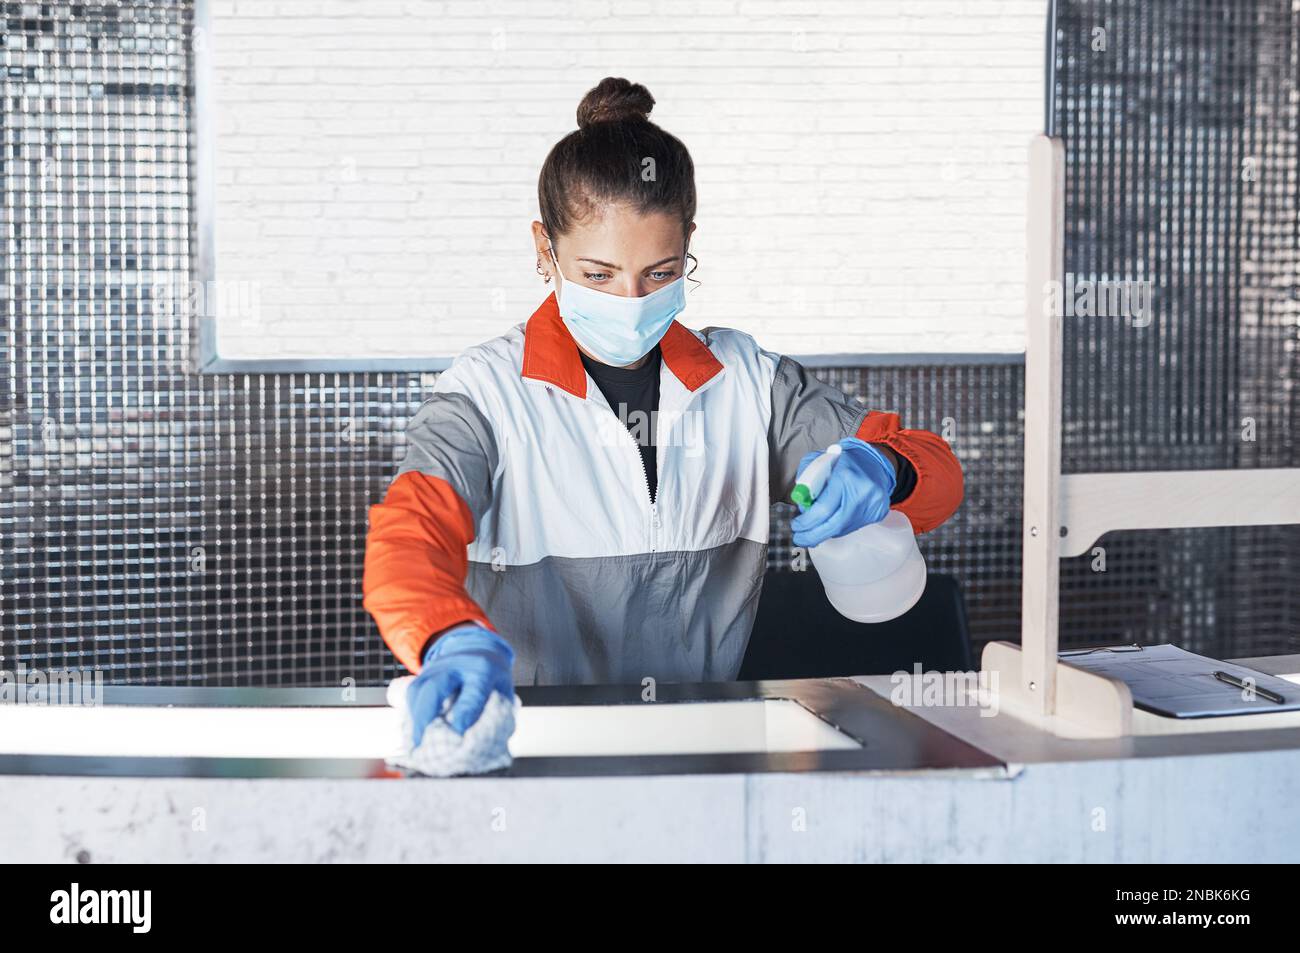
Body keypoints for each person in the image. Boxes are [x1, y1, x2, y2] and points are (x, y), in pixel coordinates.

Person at [363, 77, 963, 743]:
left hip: (701, 747)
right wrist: (445, 635)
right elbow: (407, 540)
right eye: (597, 274)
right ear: (544, 250)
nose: (629, 298)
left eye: (659, 272)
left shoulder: (746, 384)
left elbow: (938, 477)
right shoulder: (486, 394)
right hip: (535, 750)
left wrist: (887, 470)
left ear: (689, 246)